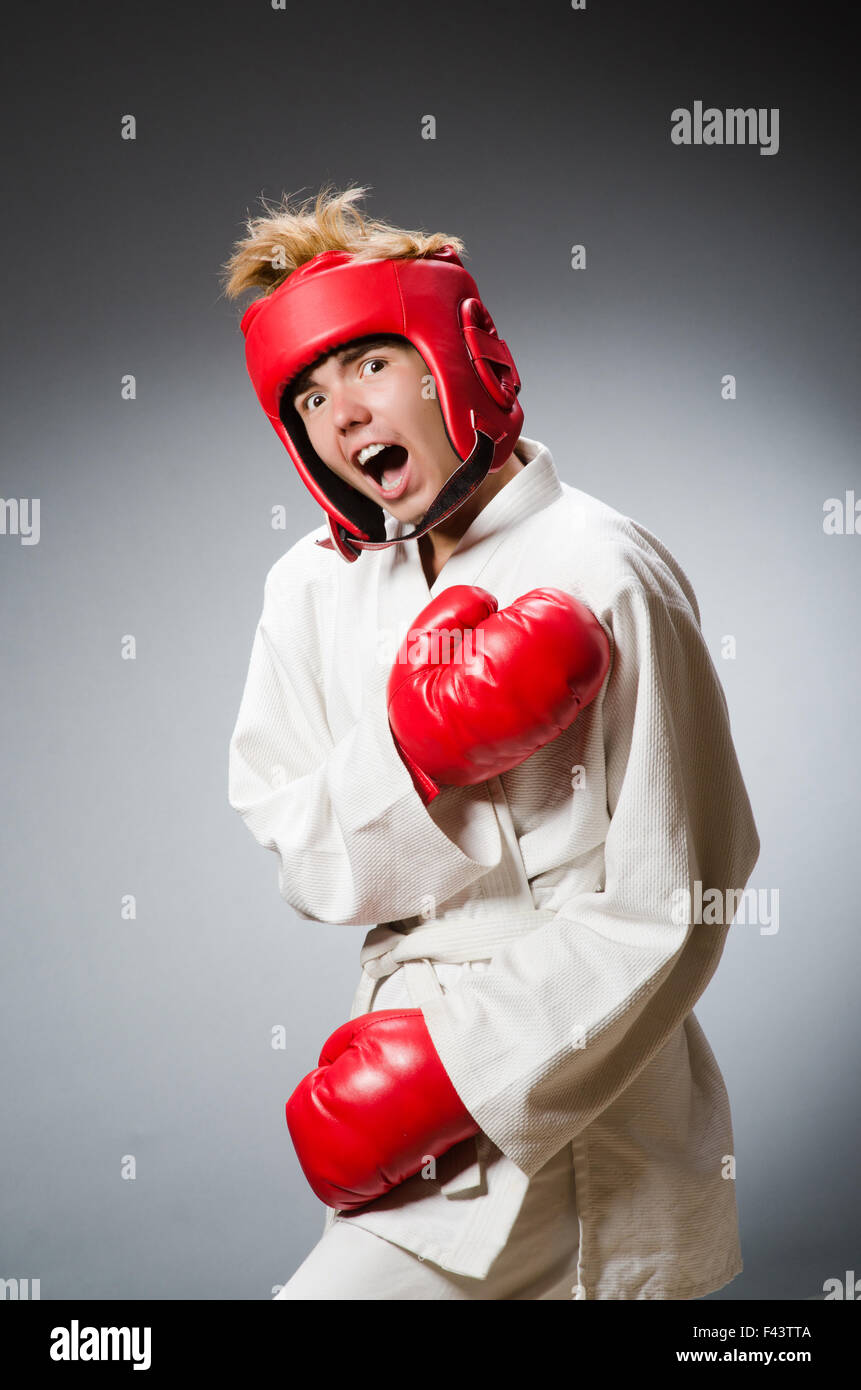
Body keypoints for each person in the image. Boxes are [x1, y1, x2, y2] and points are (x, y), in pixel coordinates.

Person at [221, 183, 761, 1300]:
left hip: (591, 1091)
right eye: (310, 395)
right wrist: (418, 760)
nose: (343, 413)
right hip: (408, 1079)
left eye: (368, 365)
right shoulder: (309, 591)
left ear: (452, 357)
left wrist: (464, 1071)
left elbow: (682, 896)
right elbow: (298, 849)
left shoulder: (605, 567)